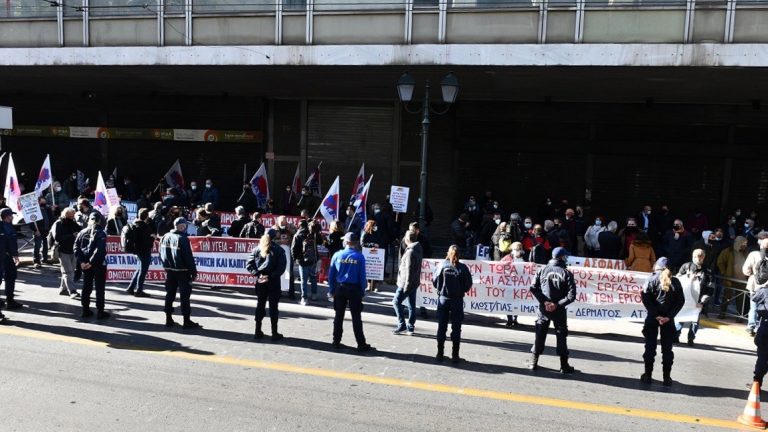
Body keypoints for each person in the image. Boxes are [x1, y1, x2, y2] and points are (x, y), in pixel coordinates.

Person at [527, 247, 577, 374]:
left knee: (540, 334)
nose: (566, 258)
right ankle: (564, 365)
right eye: (565, 256)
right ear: (561, 257)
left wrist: (545, 301)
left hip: (544, 309)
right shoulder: (566, 273)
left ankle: (533, 361)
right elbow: (571, 296)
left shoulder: (542, 270)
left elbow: (533, 288)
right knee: (561, 336)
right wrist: (556, 304)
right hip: (559, 310)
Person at [640, 257, 686, 386]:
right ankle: (667, 378)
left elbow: (645, 298)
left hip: (652, 319)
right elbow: (680, 301)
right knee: (667, 349)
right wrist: (669, 317)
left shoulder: (651, 279)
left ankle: (648, 375)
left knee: (650, 347)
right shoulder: (675, 282)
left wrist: (655, 315)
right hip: (668, 320)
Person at [328, 232, 373, 352]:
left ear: (346, 242)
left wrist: (331, 290)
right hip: (354, 289)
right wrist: (362, 291)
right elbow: (362, 277)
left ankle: (336, 340)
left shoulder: (337, 255)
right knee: (356, 317)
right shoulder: (359, 257)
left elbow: (331, 275)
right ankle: (361, 343)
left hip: (340, 288)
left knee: (338, 316)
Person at [433, 245, 473, 363]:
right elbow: (468, 285)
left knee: (442, 327)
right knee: (456, 328)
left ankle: (440, 354)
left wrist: (441, 289)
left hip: (443, 299)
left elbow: (435, 281)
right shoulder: (462, 268)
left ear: (447, 252)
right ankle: (455, 355)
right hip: (457, 300)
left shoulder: (441, 265)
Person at [159, 217, 200, 329]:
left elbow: (160, 253)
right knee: (184, 297)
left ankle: (168, 318)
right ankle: (186, 321)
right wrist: (193, 272)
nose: (185, 227)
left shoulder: (165, 236)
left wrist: (166, 266)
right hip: (182, 272)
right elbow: (188, 257)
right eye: (185, 225)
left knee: (170, 294)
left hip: (170, 271)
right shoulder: (182, 239)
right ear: (181, 226)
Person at [246, 231, 288, 341]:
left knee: (260, 305)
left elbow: (249, 265)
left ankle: (257, 330)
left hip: (261, 281)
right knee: (273, 307)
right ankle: (274, 333)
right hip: (273, 281)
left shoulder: (257, 249)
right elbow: (281, 268)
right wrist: (270, 276)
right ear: (275, 238)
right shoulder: (279, 250)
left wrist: (259, 274)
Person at [74, 212, 109, 319]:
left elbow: (76, 247)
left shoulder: (82, 232)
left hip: (86, 264)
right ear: (99, 221)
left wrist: (83, 262)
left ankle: (85, 310)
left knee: (86, 287)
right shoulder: (101, 233)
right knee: (99, 288)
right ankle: (100, 311)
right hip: (97, 264)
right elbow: (100, 250)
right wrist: (88, 262)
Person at [675, 249, 713, 346]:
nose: (698, 259)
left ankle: (691, 339)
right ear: (693, 256)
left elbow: (710, 288)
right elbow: (677, 280)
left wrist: (702, 302)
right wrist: (688, 277)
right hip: (685, 298)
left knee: (695, 320)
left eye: (701, 257)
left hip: (698, 300)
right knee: (681, 317)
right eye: (696, 257)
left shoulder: (707, 271)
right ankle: (675, 336)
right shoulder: (686, 266)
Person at [392, 231, 423, 335]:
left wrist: (406, 287)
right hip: (413, 282)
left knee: (396, 302)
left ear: (407, 239)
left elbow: (409, 270)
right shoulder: (417, 249)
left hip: (406, 283)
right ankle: (410, 327)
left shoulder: (410, 252)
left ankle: (402, 325)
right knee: (411, 305)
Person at [51, 208, 81, 299]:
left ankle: (63, 289)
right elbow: (57, 237)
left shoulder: (73, 222)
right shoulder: (58, 223)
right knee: (68, 272)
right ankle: (72, 291)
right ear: (65, 215)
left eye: (73, 215)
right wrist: (72, 236)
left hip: (73, 250)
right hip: (63, 250)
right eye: (70, 215)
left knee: (69, 271)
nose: (72, 217)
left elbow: (79, 231)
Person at [717, 236, 749, 318]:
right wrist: (724, 273)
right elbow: (720, 262)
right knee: (727, 297)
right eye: (744, 243)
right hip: (730, 279)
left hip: (742, 280)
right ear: (739, 243)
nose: (745, 245)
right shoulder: (728, 251)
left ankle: (739, 316)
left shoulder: (746, 252)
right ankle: (722, 313)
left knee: (741, 299)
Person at [292, 219, 322, 305]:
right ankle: (314, 294)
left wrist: (296, 259)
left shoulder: (298, 234)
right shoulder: (314, 234)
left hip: (302, 260)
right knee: (313, 278)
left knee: (303, 280)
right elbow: (320, 242)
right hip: (313, 259)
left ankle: (304, 298)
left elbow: (293, 248)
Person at [126, 208, 155, 298]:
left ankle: (131, 288)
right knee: (143, 271)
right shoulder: (145, 227)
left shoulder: (134, 224)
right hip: (144, 251)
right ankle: (139, 290)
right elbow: (147, 241)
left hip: (137, 250)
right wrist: (152, 238)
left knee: (139, 269)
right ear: (146, 216)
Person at [743, 237, 768, 336]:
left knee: (753, 306)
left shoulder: (753, 254)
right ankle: (761, 327)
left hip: (754, 284)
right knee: (765, 308)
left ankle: (751, 326)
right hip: (766, 287)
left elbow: (746, 270)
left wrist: (752, 274)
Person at [0, 208, 21, 309]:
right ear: (6, 216)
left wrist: (15, 255)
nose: (12, 217)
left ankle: (10, 300)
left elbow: (13, 243)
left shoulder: (10, 226)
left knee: (11, 277)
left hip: (8, 257)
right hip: (2, 257)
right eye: (10, 215)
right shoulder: (2, 227)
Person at [505, 241, 526, 328]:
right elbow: (498, 267)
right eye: (516, 249)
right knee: (509, 302)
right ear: (512, 249)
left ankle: (515, 319)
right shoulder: (507, 258)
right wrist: (509, 273)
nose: (518, 251)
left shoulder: (523, 258)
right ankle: (509, 320)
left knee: (517, 302)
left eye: (520, 249)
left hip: (518, 285)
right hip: (509, 284)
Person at [31, 196, 54, 268]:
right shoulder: (34, 210)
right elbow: (31, 221)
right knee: (37, 245)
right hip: (38, 230)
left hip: (46, 229)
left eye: (44, 201)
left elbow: (51, 218)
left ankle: (45, 258)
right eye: (42, 201)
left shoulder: (47, 209)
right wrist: (35, 230)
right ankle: (36, 261)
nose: (44, 202)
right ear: (38, 202)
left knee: (45, 245)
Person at [361, 220, 381, 292]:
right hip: (367, 253)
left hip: (376, 253)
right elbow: (362, 244)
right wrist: (372, 245)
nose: (376, 227)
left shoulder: (377, 233)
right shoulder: (365, 233)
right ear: (371, 226)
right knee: (369, 269)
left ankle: (376, 285)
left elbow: (380, 241)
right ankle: (369, 285)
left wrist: (378, 245)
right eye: (374, 226)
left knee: (376, 269)